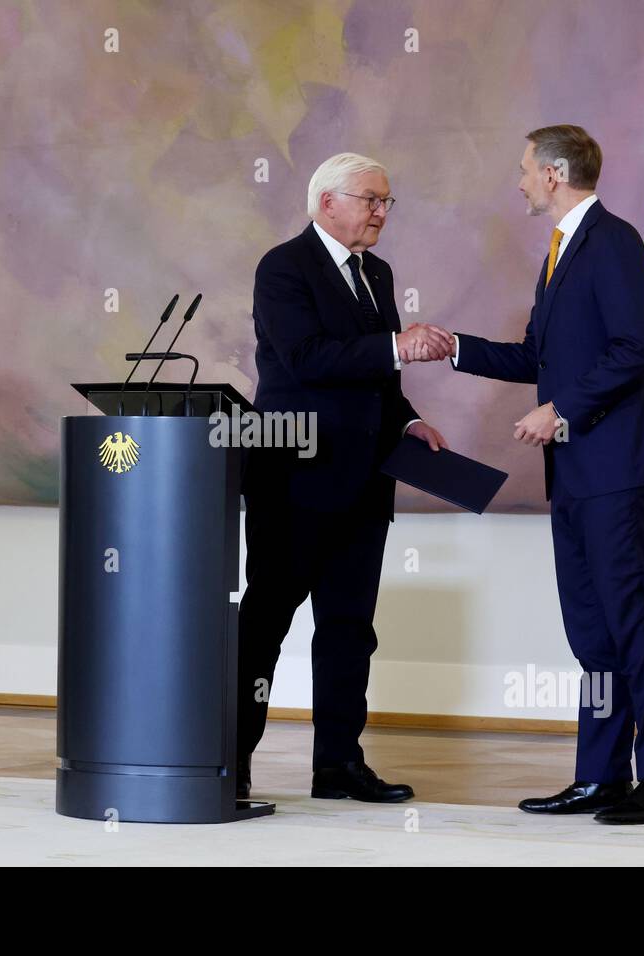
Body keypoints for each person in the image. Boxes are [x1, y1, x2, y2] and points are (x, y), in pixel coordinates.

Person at [433, 126, 644, 824]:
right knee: (592, 632)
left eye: (523, 170)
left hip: (617, 466)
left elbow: (637, 348)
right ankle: (601, 775)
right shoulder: (560, 252)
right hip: (575, 472)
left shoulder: (612, 241)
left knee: (632, 619)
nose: (517, 182)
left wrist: (560, 409)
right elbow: (536, 358)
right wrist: (454, 348)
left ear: (552, 173)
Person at [237, 152, 452, 803]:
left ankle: (337, 763)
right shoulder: (283, 268)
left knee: (350, 627)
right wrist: (397, 345)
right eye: (371, 200)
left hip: (365, 482)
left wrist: (409, 420)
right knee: (266, 622)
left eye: (388, 201)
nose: (383, 212)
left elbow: (376, 378)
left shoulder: (377, 273)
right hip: (294, 478)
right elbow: (305, 359)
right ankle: (227, 756)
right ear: (327, 202)